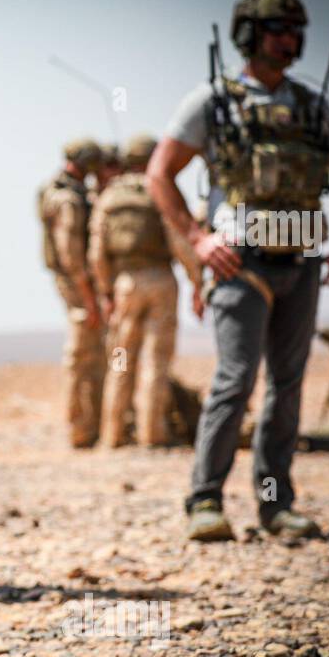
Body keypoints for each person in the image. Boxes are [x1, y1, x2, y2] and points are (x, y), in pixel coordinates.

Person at [147, 0, 329, 542]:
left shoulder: (313, 107)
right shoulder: (212, 102)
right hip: (240, 264)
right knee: (236, 380)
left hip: (301, 262)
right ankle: (205, 500)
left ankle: (275, 504)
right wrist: (197, 238)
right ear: (249, 35)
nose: (288, 39)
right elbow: (158, 173)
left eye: (294, 29)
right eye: (276, 28)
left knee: (287, 385)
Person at [90, 134, 203, 447]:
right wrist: (197, 282)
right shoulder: (158, 190)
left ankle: (112, 436)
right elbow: (179, 242)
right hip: (160, 280)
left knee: (120, 360)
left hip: (124, 283)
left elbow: (97, 252)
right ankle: (152, 435)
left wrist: (105, 291)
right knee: (156, 359)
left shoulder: (109, 197)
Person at [38, 138, 105, 448]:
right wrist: (89, 298)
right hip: (76, 284)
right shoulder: (69, 200)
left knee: (90, 353)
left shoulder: (54, 189)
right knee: (83, 355)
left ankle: (88, 426)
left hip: (72, 281)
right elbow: (70, 254)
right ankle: (81, 429)